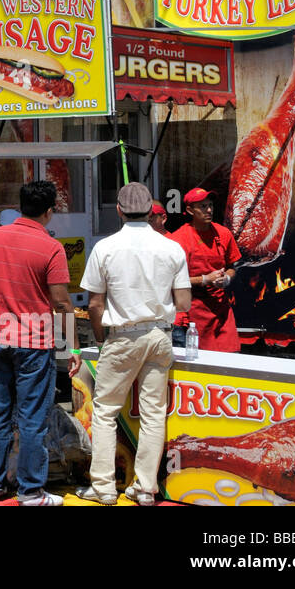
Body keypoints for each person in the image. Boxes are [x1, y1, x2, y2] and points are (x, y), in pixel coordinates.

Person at [77, 182, 191, 507]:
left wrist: (101, 338)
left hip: (123, 336)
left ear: (119, 210)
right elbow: (183, 302)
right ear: (154, 211)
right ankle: (145, 488)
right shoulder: (171, 248)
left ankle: (103, 488)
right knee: (154, 414)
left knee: (105, 411)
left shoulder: (106, 247)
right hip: (159, 336)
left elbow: (95, 304)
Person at [0, 180, 79, 506]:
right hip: (34, 342)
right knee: (33, 419)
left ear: (20, 206)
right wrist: (73, 348)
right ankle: (31, 491)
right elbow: (62, 304)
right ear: (49, 212)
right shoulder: (51, 248)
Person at [169, 187, 242, 354]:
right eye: (202, 206)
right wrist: (204, 280)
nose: (209, 210)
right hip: (194, 311)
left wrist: (227, 279)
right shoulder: (178, 239)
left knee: (231, 356)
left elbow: (232, 267)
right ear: (189, 210)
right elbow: (172, 281)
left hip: (221, 310)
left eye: (210, 205)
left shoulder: (223, 233)